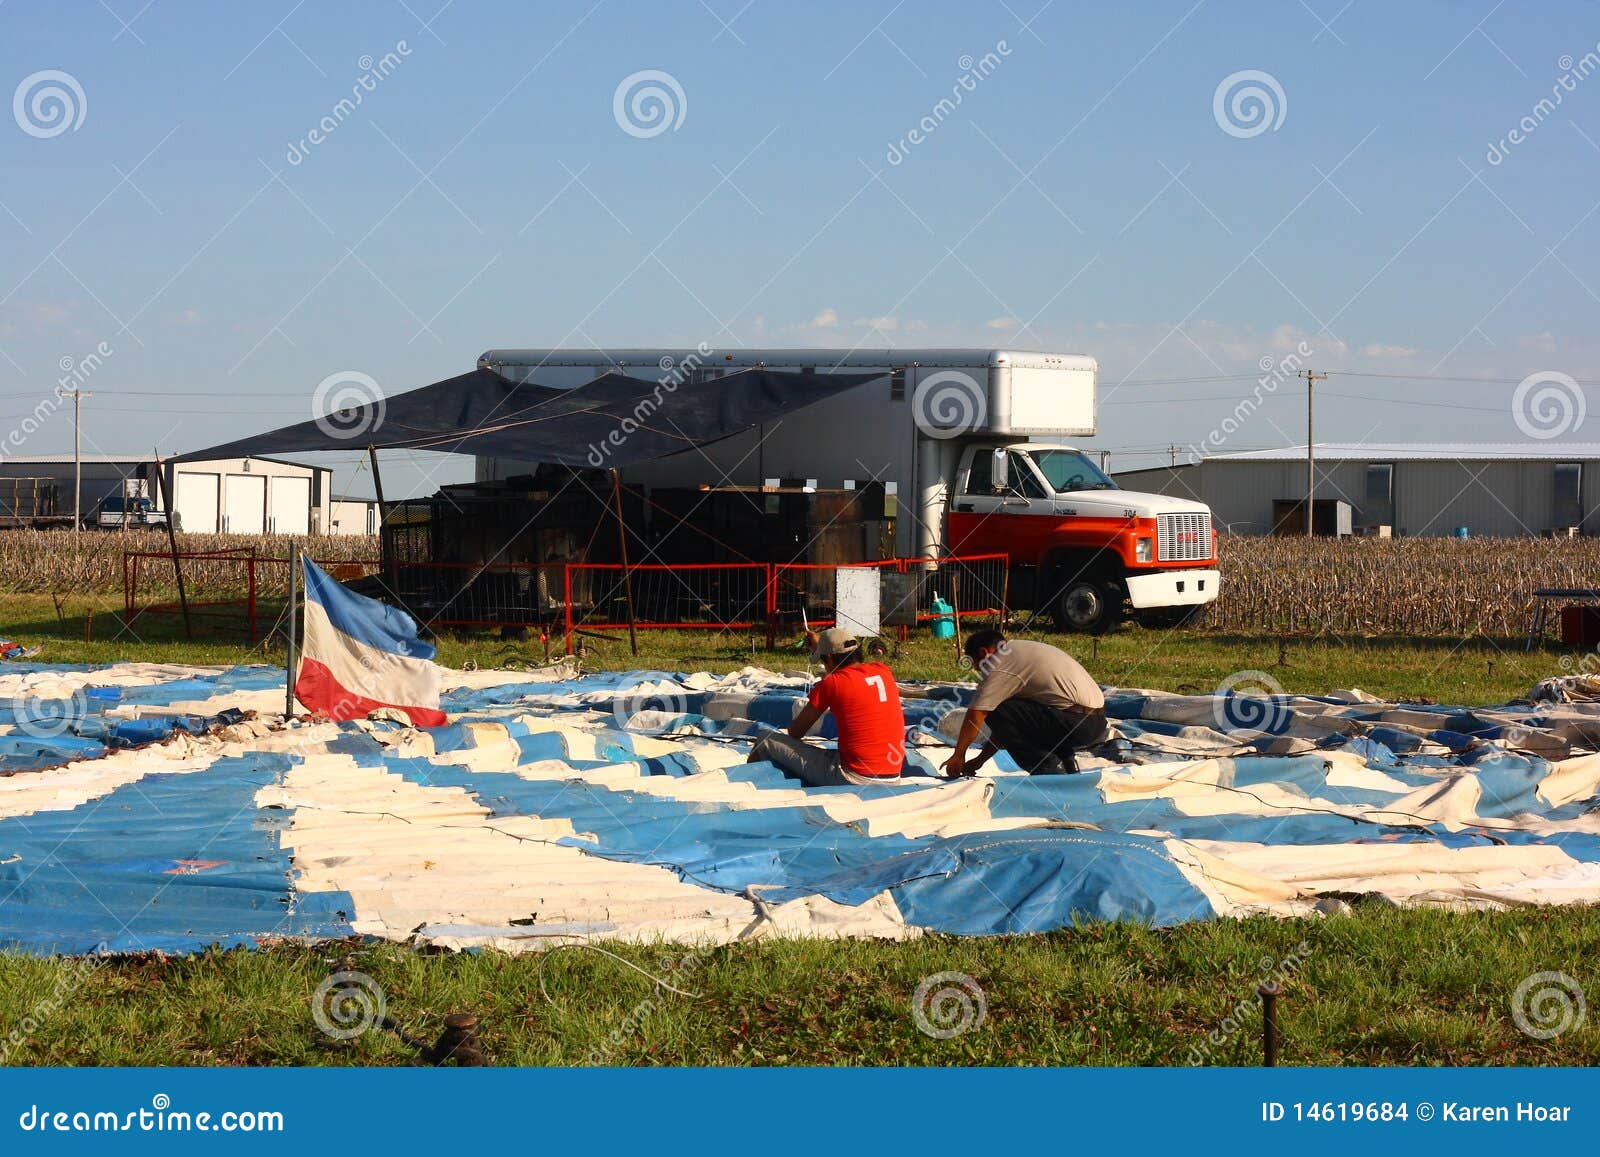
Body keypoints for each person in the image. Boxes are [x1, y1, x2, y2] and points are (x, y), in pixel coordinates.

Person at [747, 627, 906, 787]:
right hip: (892, 776)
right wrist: (821, 646)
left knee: (764, 739)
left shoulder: (832, 683)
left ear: (829, 658)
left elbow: (795, 732)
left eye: (823, 660)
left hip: (854, 778)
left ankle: (746, 785)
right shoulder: (883, 671)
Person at [942, 629, 1107, 777]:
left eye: (979, 668)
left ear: (984, 653)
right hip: (1095, 722)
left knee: (998, 709)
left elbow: (977, 714)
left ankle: (1050, 772)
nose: (982, 674)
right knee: (1015, 710)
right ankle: (1067, 764)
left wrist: (958, 755)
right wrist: (980, 760)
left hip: (1076, 723)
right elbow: (1010, 727)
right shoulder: (1019, 650)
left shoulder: (999, 663)